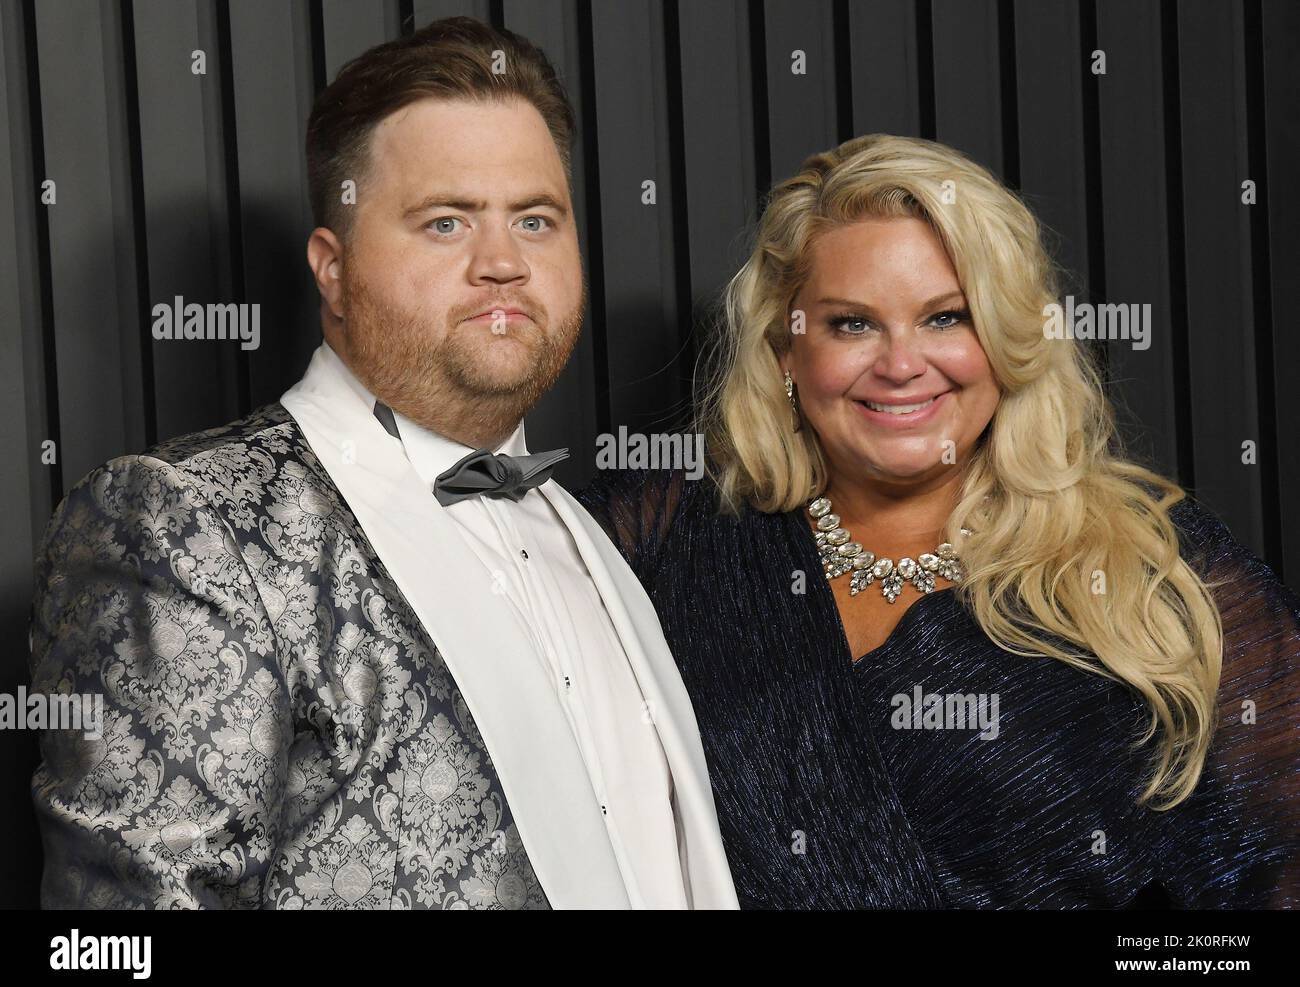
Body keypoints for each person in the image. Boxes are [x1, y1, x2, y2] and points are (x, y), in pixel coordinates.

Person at [27, 17, 737, 910]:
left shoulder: (599, 534)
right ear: (332, 268)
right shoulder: (183, 522)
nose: (503, 263)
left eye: (536, 219)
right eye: (445, 222)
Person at [578, 133, 1300, 909]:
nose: (900, 363)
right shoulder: (674, 536)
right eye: (851, 323)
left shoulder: (1153, 563)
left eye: (946, 317)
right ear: (786, 351)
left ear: (1007, 337)